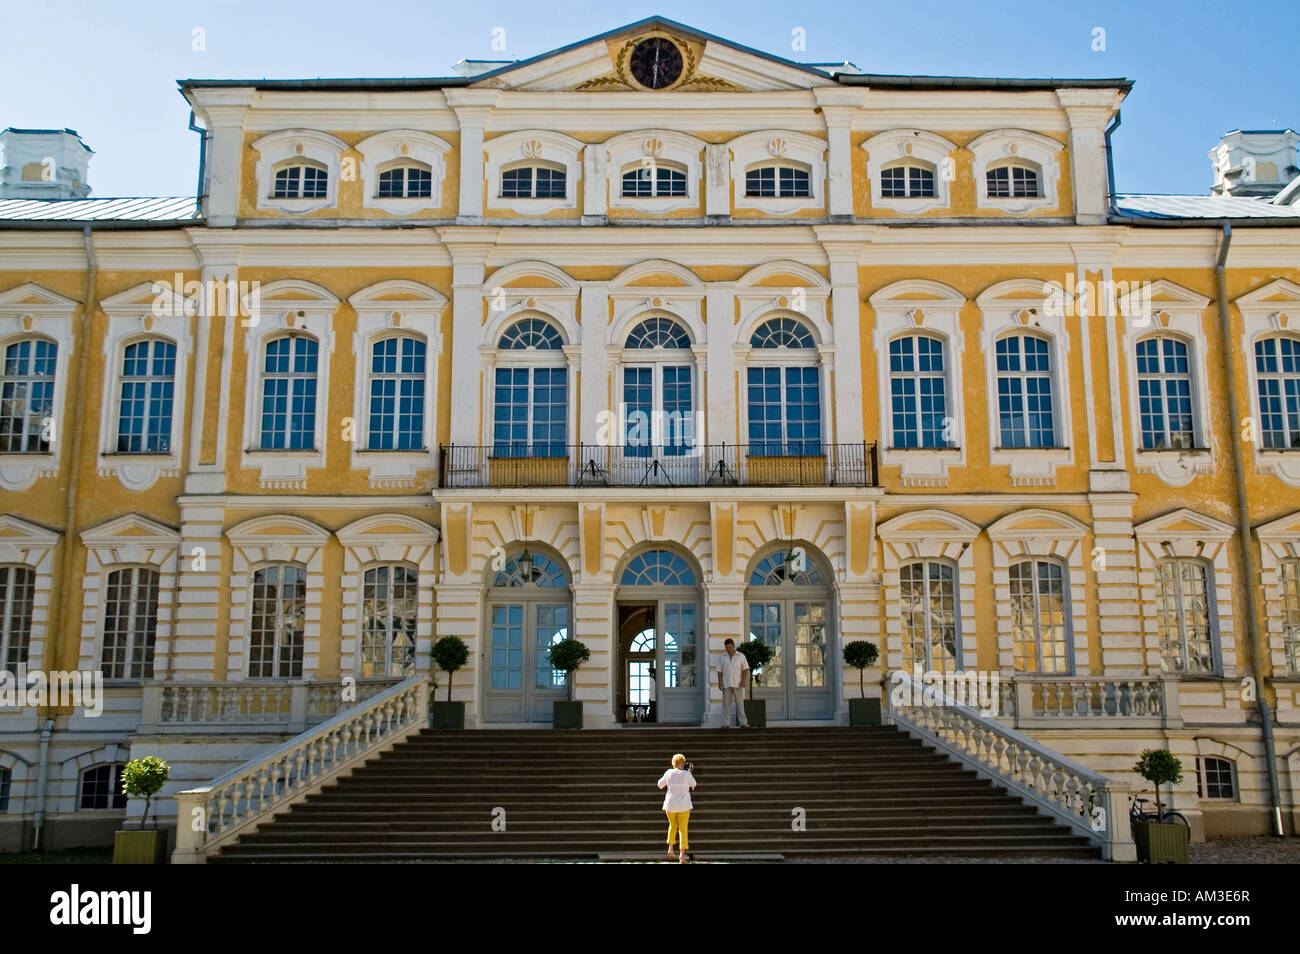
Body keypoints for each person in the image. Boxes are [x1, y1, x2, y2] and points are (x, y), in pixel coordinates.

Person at [657, 753, 696, 862]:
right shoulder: (686, 774)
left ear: (673, 763)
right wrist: (689, 773)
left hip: (670, 805)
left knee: (672, 825)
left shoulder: (669, 773)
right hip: (684, 805)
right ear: (683, 763)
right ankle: (682, 854)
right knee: (683, 829)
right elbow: (694, 784)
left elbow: (660, 784)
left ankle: (670, 850)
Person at [716, 637, 751, 728]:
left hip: (738, 683)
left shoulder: (741, 656)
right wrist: (719, 682)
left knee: (740, 704)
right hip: (726, 684)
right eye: (727, 647)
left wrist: (743, 680)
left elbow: (745, 669)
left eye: (730, 647)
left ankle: (743, 723)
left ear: (734, 646)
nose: (728, 649)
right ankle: (726, 723)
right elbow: (719, 671)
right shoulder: (722, 657)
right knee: (726, 705)